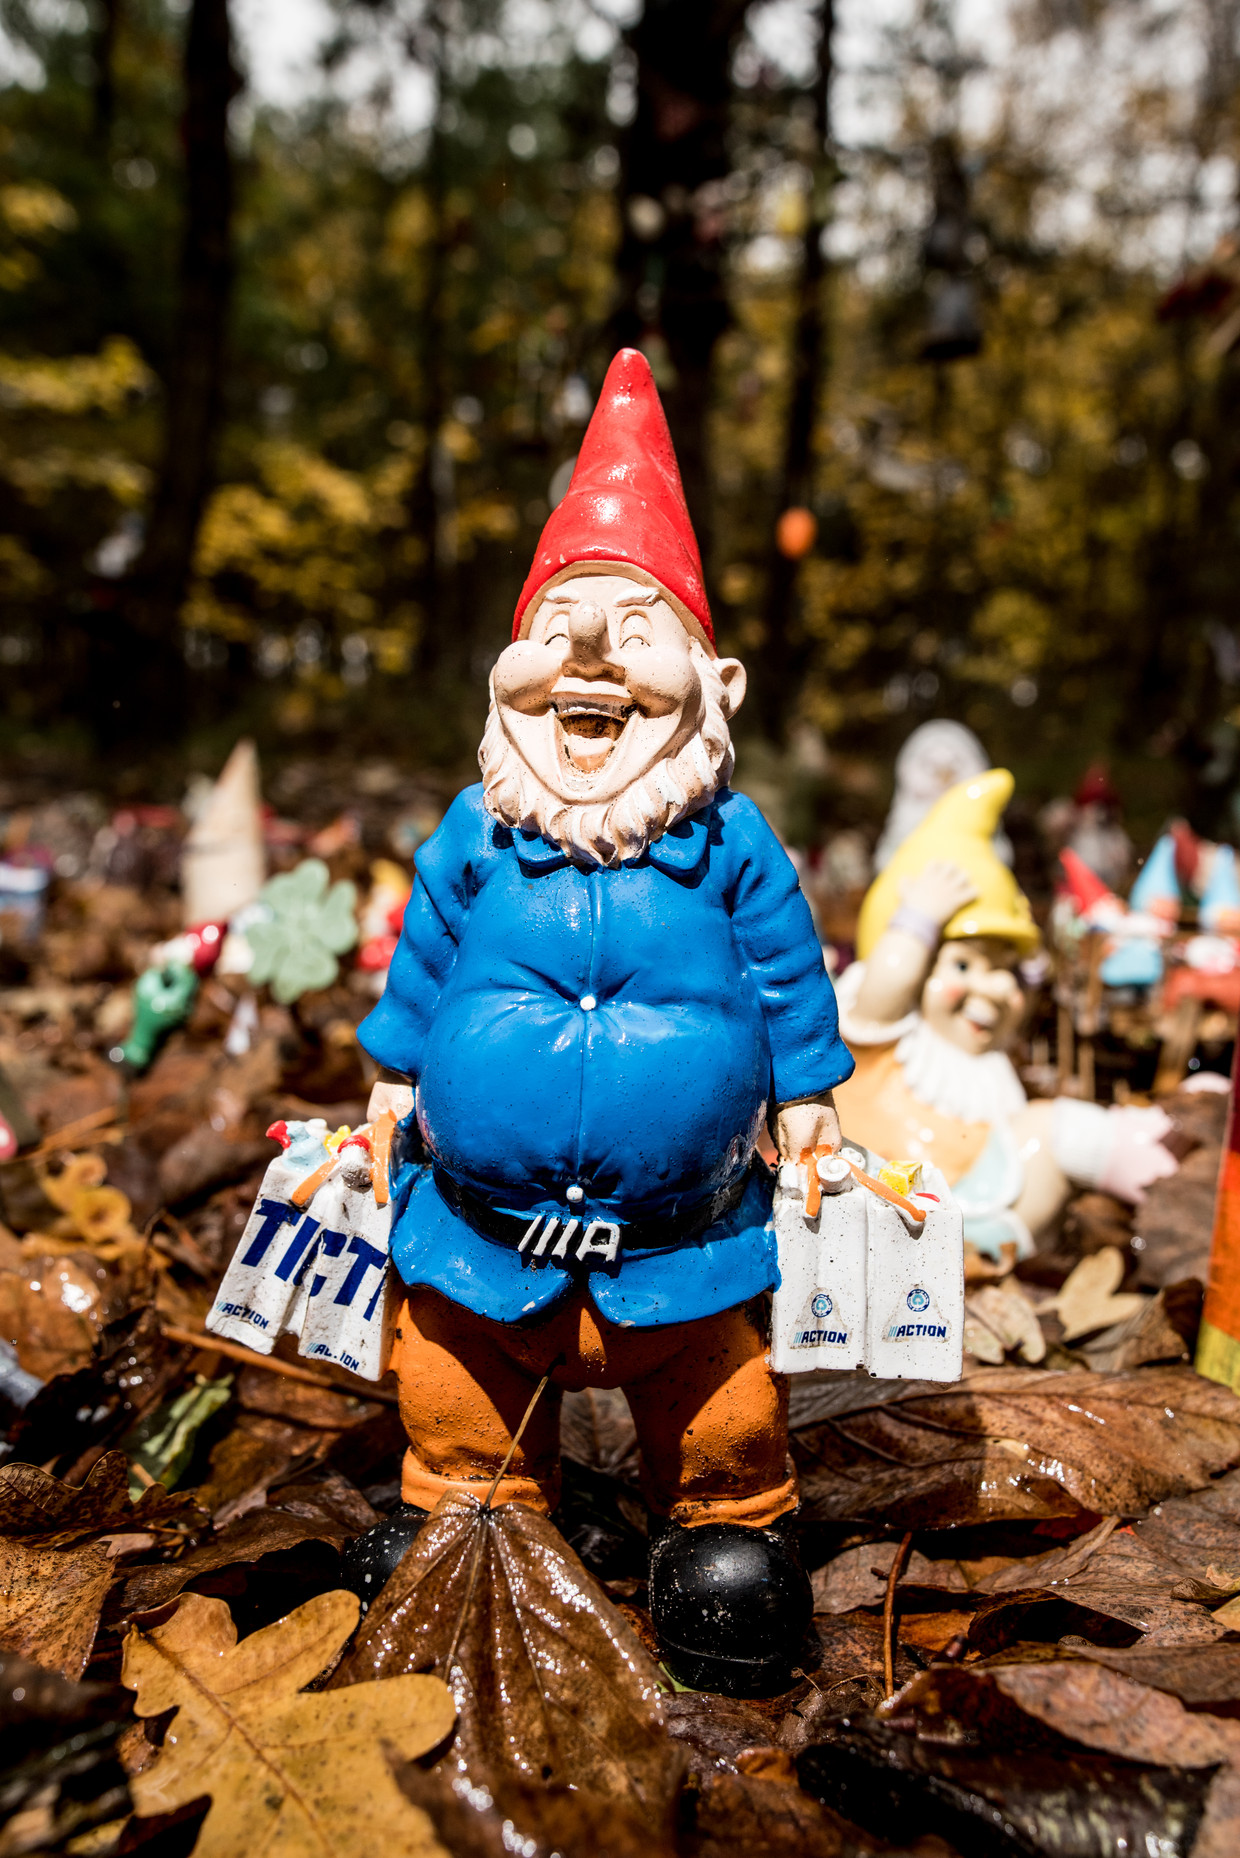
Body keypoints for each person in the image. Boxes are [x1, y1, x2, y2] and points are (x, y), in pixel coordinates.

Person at [345, 349, 855, 1697]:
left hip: (684, 1238)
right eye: (561, 628)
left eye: (633, 632)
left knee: (719, 1403)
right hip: (481, 1233)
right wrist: (392, 1075)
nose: (588, 660)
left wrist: (808, 1098)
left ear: (715, 683)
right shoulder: (475, 831)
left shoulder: (732, 842)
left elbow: (788, 967)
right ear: (506, 674)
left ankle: (724, 1527)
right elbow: (424, 956)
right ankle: (477, 1499)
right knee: (453, 1381)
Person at [834, 769, 1178, 1257]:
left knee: (1052, 1130)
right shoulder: (879, 1034)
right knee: (1055, 1127)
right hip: (906, 1219)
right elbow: (887, 980)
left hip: (979, 1214)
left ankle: (1167, 1159)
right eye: (962, 965)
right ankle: (1170, 1176)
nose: (996, 989)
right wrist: (916, 919)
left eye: (1008, 972)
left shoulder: (980, 1068)